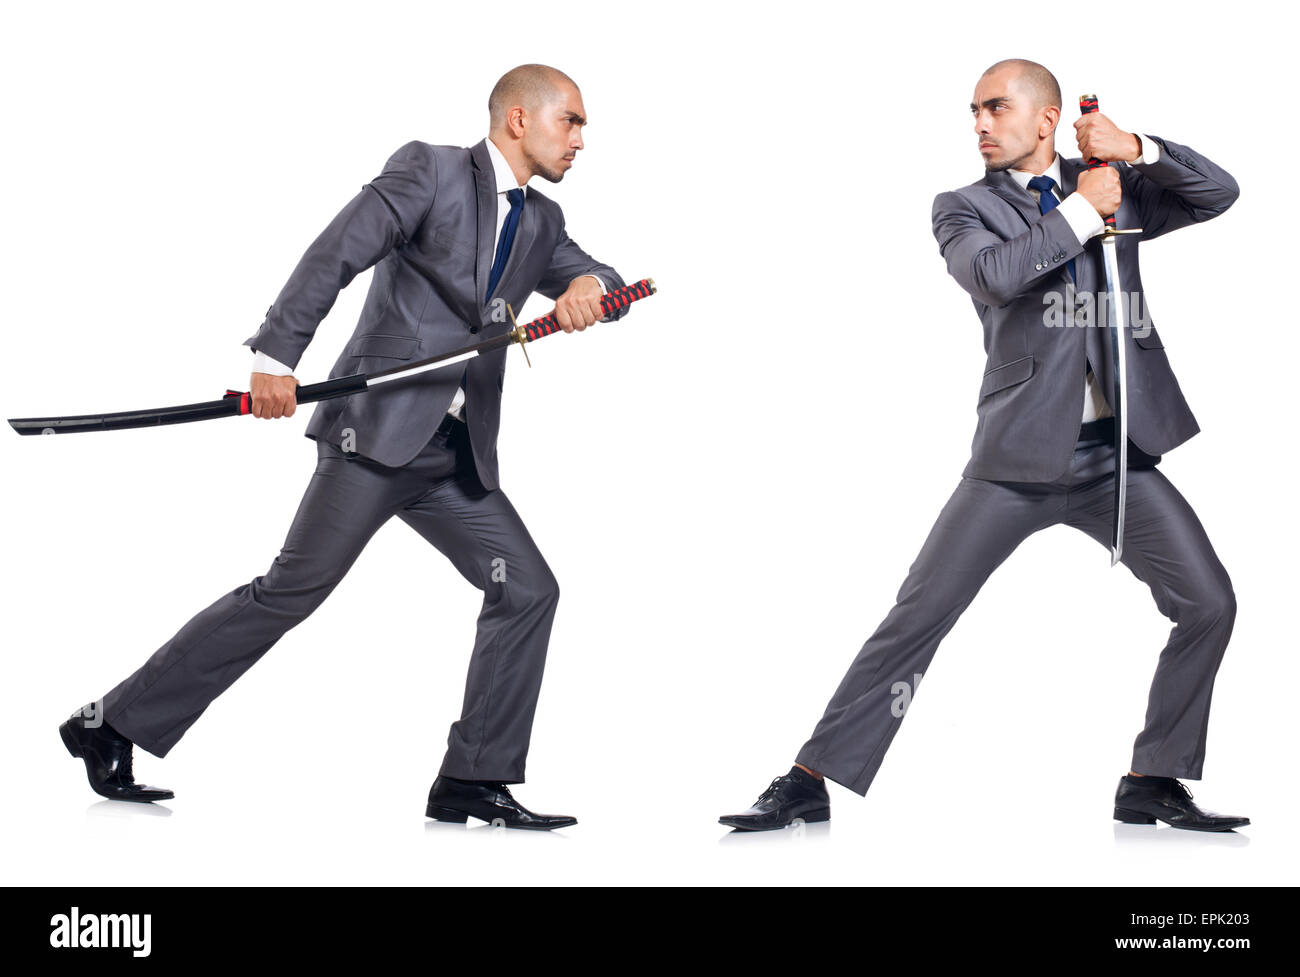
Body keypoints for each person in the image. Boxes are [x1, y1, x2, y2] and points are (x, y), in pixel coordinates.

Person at [60, 64, 629, 830]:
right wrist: (275, 360)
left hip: (454, 457)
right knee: (289, 592)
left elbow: (597, 278)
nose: (583, 140)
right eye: (573, 123)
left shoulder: (541, 222)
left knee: (527, 587)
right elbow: (338, 251)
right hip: (376, 436)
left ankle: (473, 777)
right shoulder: (429, 170)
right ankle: (112, 722)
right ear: (520, 120)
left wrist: (594, 286)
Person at [719, 59, 1249, 833]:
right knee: (919, 614)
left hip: (1117, 459)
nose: (979, 123)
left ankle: (1153, 777)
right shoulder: (962, 206)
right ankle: (808, 778)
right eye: (973, 110)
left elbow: (1220, 193)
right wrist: (1077, 211)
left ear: (1046, 119)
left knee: (1209, 601)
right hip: (1015, 461)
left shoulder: (1113, 180)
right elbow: (994, 276)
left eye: (995, 108)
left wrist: (1134, 148)